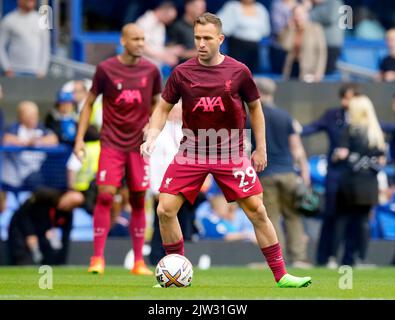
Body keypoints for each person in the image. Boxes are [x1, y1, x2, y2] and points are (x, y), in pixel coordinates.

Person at [141, 12, 311, 288]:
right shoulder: (182, 72)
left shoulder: (239, 71)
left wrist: (261, 149)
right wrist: (151, 135)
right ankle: (176, 273)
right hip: (192, 150)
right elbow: (162, 108)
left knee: (257, 210)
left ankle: (282, 275)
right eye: (197, 38)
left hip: (229, 151)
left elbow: (255, 109)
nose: (201, 43)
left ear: (220, 39)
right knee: (165, 209)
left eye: (207, 38)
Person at [73, 24, 162, 275]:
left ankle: (138, 262)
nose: (140, 43)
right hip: (111, 143)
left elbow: (158, 104)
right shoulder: (106, 69)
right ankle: (97, 258)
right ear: (123, 40)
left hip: (138, 146)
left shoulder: (151, 70)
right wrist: (79, 139)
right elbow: (89, 103)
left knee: (137, 199)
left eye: (143, 39)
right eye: (135, 39)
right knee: (105, 195)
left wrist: (152, 128)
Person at [250, 77, 312, 268]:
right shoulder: (285, 116)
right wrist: (304, 172)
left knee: (271, 218)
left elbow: (243, 148)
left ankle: (277, 259)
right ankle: (299, 258)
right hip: (288, 173)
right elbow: (297, 149)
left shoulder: (250, 117)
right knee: (293, 216)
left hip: (265, 173)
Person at [302, 83, 361, 267]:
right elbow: (311, 128)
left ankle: (351, 257)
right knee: (331, 215)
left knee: (355, 218)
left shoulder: (363, 117)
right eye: (344, 98)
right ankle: (324, 257)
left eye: (350, 98)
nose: (347, 102)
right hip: (335, 175)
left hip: (356, 175)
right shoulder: (332, 115)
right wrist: (292, 127)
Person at [332, 95, 386, 266]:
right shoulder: (376, 132)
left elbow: (342, 153)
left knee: (344, 221)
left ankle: (341, 259)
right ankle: (361, 258)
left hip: (351, 183)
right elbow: (381, 160)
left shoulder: (352, 129)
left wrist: (338, 156)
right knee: (363, 222)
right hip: (369, 184)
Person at [7, 188, 82, 265]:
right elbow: (22, 214)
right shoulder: (44, 195)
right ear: (66, 195)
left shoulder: (67, 213)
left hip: (40, 232)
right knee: (20, 257)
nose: (69, 205)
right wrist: (30, 233)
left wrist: (62, 261)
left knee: (48, 256)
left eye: (74, 206)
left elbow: (65, 237)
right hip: (20, 227)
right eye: (70, 202)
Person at [2, 101, 58, 191]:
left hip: (40, 170)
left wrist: (38, 141)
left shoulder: (40, 128)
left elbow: (53, 138)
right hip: (19, 173)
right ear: (22, 117)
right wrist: (26, 142)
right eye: (30, 116)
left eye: (35, 115)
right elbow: (5, 138)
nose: (34, 118)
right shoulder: (15, 128)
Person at [217, 0, 271, 73]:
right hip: (237, 48)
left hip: (255, 49)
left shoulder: (261, 9)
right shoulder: (232, 6)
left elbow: (266, 31)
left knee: (251, 76)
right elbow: (220, 26)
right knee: (236, 74)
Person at [0, 0, 50, 77]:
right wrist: (7, 68)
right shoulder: (9, 20)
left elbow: (45, 47)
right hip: (14, 72)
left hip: (36, 73)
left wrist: (42, 69)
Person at [279, 4, 327, 82]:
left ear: (306, 15)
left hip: (309, 69)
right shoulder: (290, 29)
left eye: (300, 14)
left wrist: (319, 73)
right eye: (295, 14)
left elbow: (322, 52)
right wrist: (290, 29)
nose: (298, 17)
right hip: (292, 67)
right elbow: (285, 47)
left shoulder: (316, 29)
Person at [136, 1, 183, 69]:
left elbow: (156, 48)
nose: (170, 22)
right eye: (169, 18)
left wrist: (170, 50)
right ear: (162, 12)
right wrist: (163, 56)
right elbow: (141, 47)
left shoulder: (161, 25)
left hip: (154, 68)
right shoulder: (145, 22)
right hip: (141, 67)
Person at [307, 0, 345, 75]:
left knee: (328, 73)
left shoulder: (334, 3)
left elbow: (330, 17)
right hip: (317, 44)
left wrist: (308, 12)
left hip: (331, 45)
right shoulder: (315, 5)